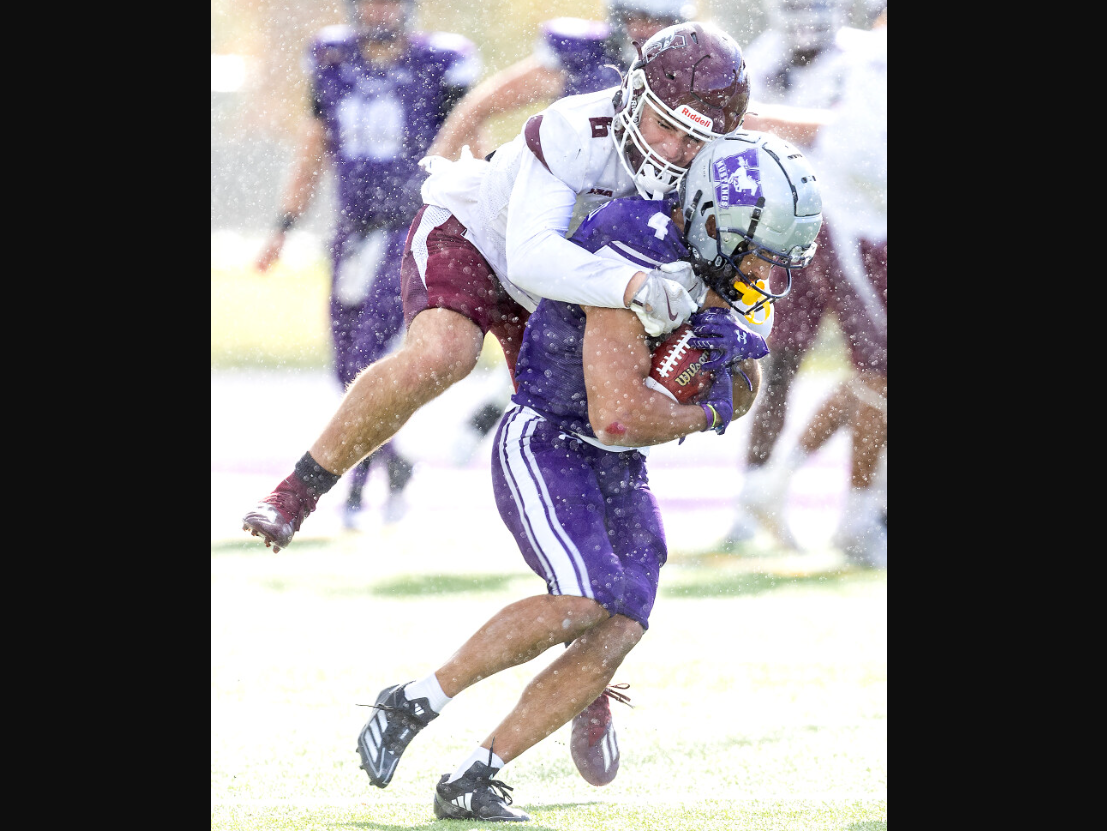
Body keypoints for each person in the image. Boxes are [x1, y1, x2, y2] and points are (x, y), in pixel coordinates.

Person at [353, 132, 822, 821]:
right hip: (551, 438)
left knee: (622, 618)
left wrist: (728, 381)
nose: (763, 272)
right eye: (756, 252)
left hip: (613, 462)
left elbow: (744, 390)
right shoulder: (640, 243)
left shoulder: (727, 270)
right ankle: (416, 697)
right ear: (716, 222)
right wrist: (710, 405)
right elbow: (619, 417)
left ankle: (474, 774)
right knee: (582, 598)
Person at [426, 0, 698, 465]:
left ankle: (550, 443)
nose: (647, 30)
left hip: (631, 232)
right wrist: (461, 173)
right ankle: (532, 449)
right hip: (565, 225)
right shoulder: (584, 57)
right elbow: (480, 105)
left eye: (660, 22)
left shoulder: (696, 76)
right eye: (638, 17)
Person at [252, 0, 481, 527]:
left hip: (413, 229)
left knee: (365, 361)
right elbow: (316, 147)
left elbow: (473, 140)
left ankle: (355, 490)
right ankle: (394, 465)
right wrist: (284, 227)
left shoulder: (439, 61)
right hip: (352, 232)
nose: (377, 10)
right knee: (343, 367)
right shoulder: (331, 57)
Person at [721, 1, 888, 567]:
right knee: (782, 362)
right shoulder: (773, 59)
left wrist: (770, 119)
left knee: (878, 371)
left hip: (864, 220)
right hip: (812, 227)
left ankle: (796, 489)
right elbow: (854, 146)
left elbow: (850, 137)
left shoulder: (864, 55)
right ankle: (832, 508)